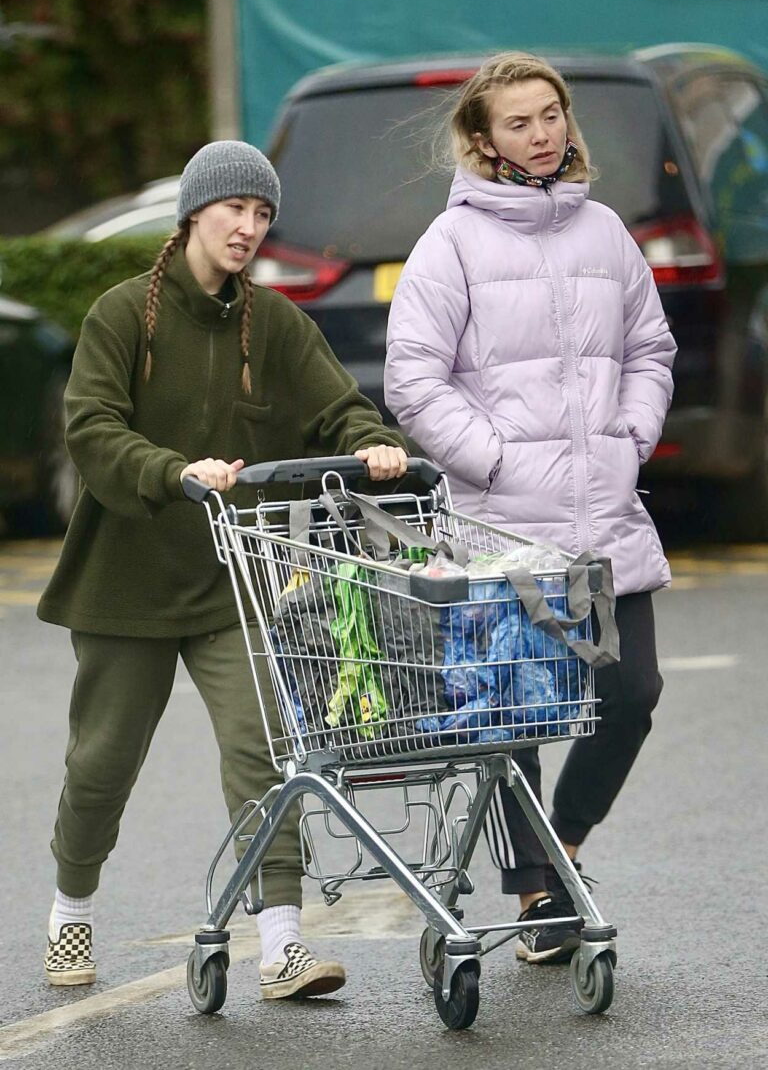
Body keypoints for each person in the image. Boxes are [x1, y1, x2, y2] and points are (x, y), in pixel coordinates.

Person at [39, 140, 408, 994]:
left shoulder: (274, 323)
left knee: (264, 752)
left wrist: (375, 445)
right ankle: (70, 910)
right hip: (123, 582)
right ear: (195, 214)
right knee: (101, 764)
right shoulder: (123, 314)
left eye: (263, 213)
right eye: (234, 209)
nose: (248, 228)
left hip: (231, 586)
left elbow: (339, 407)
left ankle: (281, 938)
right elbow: (92, 428)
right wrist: (169, 470)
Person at [384, 52, 676, 964]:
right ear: (482, 139)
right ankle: (540, 892)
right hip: (502, 526)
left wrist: (631, 436)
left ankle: (566, 847)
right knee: (513, 720)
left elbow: (650, 348)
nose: (542, 133)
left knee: (631, 695)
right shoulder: (452, 244)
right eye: (519, 121)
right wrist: (496, 461)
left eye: (550, 114)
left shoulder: (606, 233)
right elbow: (413, 380)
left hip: (605, 518)